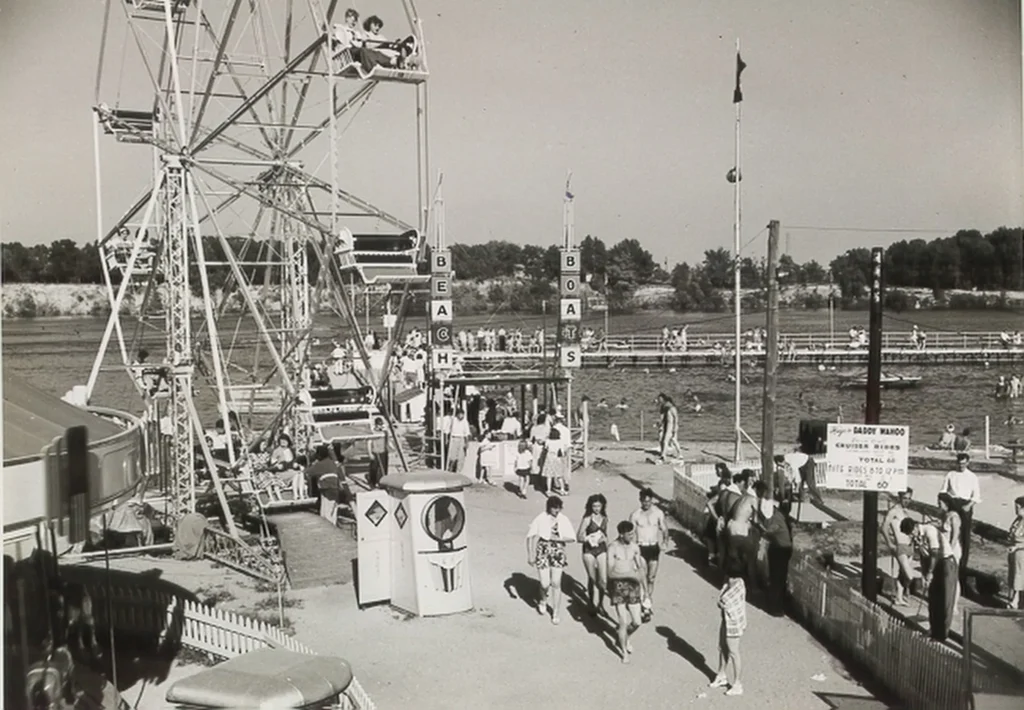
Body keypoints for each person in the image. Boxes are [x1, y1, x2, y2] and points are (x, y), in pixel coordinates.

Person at [902, 517, 957, 642]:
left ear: (916, 526)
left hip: (945, 563)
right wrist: (925, 573)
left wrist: (930, 572)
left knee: (945, 600)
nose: (911, 535)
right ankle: (933, 630)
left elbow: (935, 553)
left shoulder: (929, 530)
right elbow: (923, 556)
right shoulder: (917, 537)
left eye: (911, 532)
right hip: (933, 564)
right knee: (933, 599)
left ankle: (942, 634)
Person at [526, 496, 576, 625]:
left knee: (556, 582)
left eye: (559, 508)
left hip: (558, 550)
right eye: (554, 508)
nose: (557, 510)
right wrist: (531, 555)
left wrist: (558, 539)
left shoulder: (563, 519)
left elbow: (572, 537)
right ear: (549, 507)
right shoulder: (541, 518)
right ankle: (542, 599)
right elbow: (530, 536)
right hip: (543, 549)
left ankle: (556, 612)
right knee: (544, 583)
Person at [606, 520, 648, 664]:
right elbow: (610, 574)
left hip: (633, 586)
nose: (632, 536)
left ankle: (624, 637)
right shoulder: (612, 548)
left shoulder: (635, 547)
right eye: (629, 534)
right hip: (618, 586)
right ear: (621, 534)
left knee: (637, 622)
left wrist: (646, 592)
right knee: (622, 622)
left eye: (633, 533)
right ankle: (623, 651)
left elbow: (641, 570)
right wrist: (630, 575)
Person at [629, 488, 669, 621]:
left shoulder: (658, 513)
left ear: (651, 500)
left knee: (651, 578)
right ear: (640, 500)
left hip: (653, 547)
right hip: (641, 548)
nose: (646, 504)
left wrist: (665, 542)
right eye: (644, 501)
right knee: (642, 577)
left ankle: (647, 601)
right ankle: (645, 605)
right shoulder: (635, 515)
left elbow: (664, 528)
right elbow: (630, 534)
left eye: (649, 501)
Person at [753, 481, 792, 616]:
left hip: (779, 550)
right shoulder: (779, 519)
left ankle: (774, 604)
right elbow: (769, 530)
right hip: (780, 550)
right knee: (778, 580)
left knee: (777, 579)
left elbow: (767, 530)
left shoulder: (777, 517)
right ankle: (774, 607)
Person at [710, 559, 747, 696]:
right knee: (722, 647)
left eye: (732, 576)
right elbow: (720, 597)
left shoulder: (739, 586)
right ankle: (721, 675)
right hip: (726, 620)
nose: (730, 579)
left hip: (734, 622)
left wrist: (720, 600)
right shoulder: (730, 583)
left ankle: (737, 684)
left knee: (733, 651)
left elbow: (724, 600)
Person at [941, 452, 980, 581]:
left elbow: (976, 496)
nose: (961, 466)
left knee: (965, 538)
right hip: (953, 503)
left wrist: (968, 506)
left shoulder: (972, 477)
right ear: (956, 462)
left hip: (965, 505)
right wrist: (944, 505)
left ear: (968, 463)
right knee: (949, 533)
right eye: (959, 463)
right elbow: (942, 492)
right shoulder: (951, 474)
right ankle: (948, 559)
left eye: (964, 464)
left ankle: (962, 568)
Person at [576, 494, 609, 616]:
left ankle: (600, 603)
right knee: (593, 578)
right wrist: (589, 539)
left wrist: (604, 540)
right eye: (594, 506)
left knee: (603, 580)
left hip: (601, 549)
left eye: (599, 506)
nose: (596, 508)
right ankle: (591, 602)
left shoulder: (605, 518)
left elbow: (606, 535)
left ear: (602, 506)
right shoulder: (587, 519)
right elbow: (578, 537)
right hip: (589, 550)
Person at [881, 489, 915, 606]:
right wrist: (890, 543)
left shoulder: (906, 512)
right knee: (909, 574)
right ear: (899, 497)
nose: (907, 501)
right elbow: (883, 527)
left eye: (909, 498)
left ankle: (899, 597)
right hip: (900, 545)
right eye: (905, 498)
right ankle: (904, 593)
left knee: (902, 574)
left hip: (910, 545)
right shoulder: (894, 511)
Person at [726, 470, 759, 586]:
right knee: (750, 559)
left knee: (733, 556)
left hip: (732, 525)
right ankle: (753, 586)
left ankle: (728, 582)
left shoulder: (742, 497)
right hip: (741, 527)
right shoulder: (753, 499)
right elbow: (756, 519)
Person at [1008, 496, 1024, 609]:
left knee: (1019, 576)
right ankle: (1014, 598)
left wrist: (1017, 547)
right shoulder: (1018, 520)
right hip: (1013, 551)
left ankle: (1016, 600)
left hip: (1021, 553)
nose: (1015, 509)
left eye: (1017, 507)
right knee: (1013, 575)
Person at [657, 393, 682, 461]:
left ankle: (664, 455)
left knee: (666, 440)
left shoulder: (672, 408)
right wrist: (659, 424)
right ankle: (677, 454)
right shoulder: (664, 408)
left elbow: (676, 417)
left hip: (671, 426)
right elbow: (662, 417)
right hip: (666, 425)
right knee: (670, 440)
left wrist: (675, 426)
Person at [367, 417, 388, 488]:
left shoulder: (384, 432)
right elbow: (369, 443)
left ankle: (383, 483)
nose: (380, 426)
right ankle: (372, 482)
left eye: (381, 424)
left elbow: (388, 441)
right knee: (374, 468)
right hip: (375, 452)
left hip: (383, 452)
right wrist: (370, 453)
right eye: (379, 425)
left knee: (383, 469)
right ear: (376, 425)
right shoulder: (372, 432)